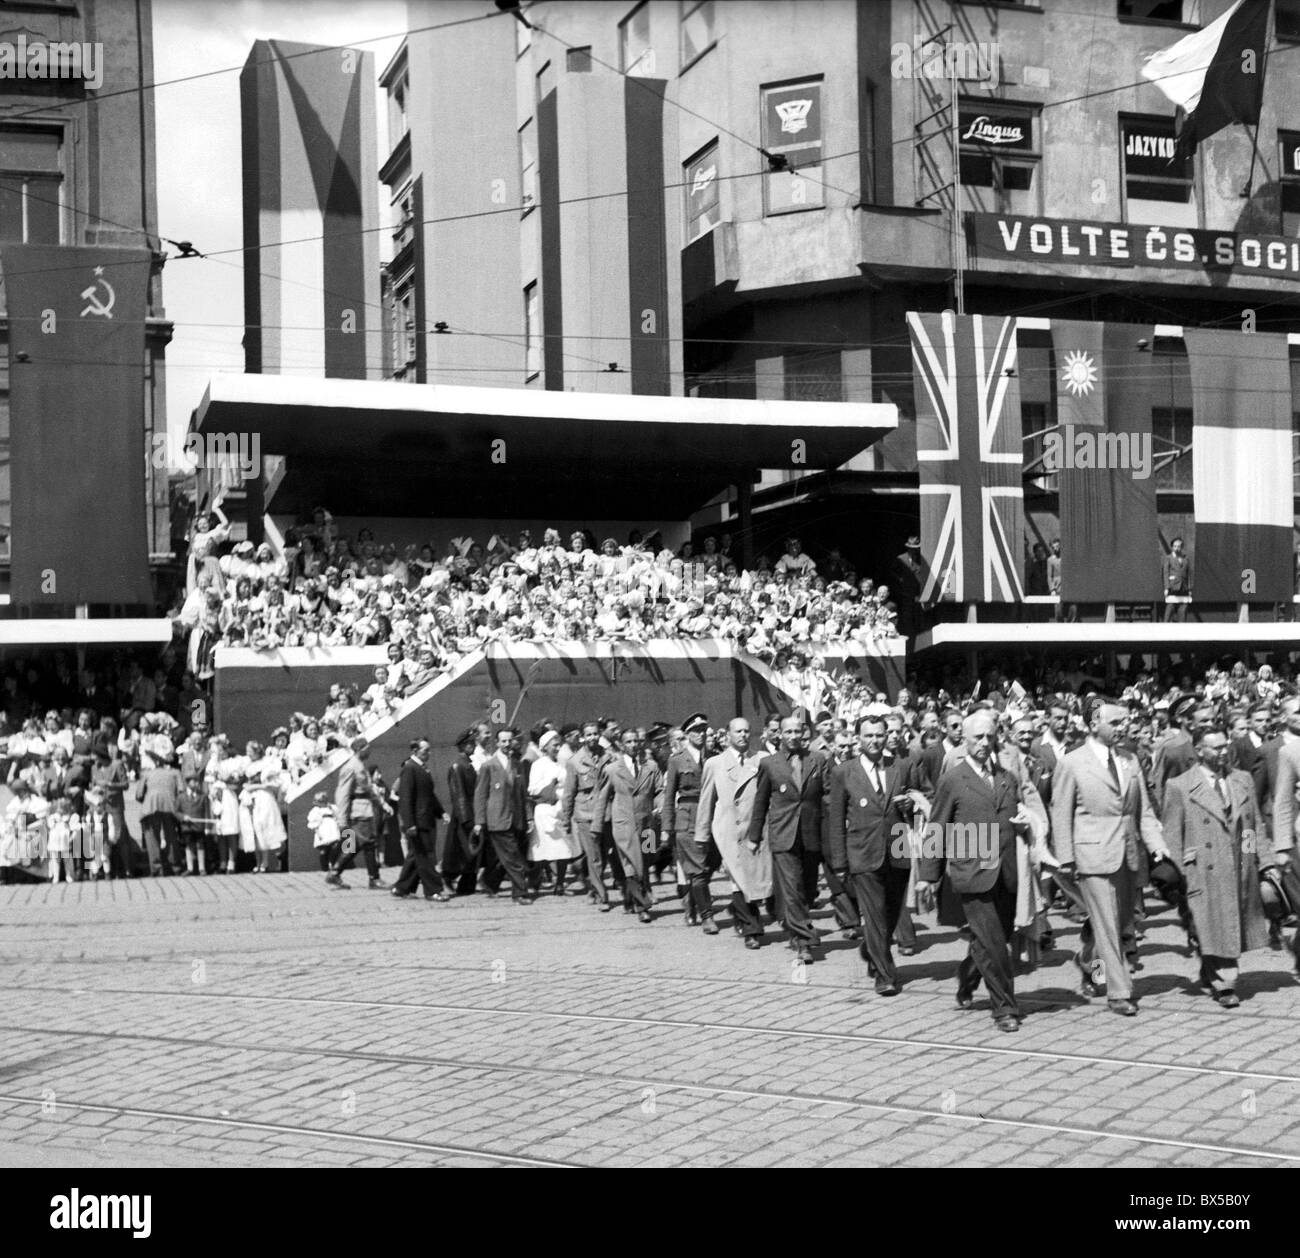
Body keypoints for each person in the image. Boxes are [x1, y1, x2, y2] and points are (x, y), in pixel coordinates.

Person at [1051, 700, 1170, 1017]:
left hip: (1127, 853)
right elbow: (1060, 813)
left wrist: (1156, 844)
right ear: (1093, 725)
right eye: (1116, 722)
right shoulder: (1072, 763)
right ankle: (1119, 991)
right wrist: (1065, 858)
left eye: (1125, 722)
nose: (1123, 727)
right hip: (1092, 855)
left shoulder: (1130, 760)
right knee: (1108, 927)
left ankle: (1088, 962)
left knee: (1118, 922)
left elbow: (1143, 810)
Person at [916, 711, 1030, 1032]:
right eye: (978, 737)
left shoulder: (1007, 777)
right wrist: (928, 876)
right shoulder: (953, 779)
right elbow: (936, 828)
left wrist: (1024, 825)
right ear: (964, 740)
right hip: (972, 873)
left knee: (994, 938)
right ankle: (1005, 1008)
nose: (984, 742)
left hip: (1006, 873)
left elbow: (1018, 814)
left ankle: (967, 976)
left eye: (990, 736)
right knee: (994, 944)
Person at [1163, 725, 1275, 1008]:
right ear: (1200, 751)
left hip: (1238, 864)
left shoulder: (1242, 779)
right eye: (1216, 748)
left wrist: (1258, 861)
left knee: (1227, 923)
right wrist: (1179, 874)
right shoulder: (1180, 785)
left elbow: (1252, 825)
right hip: (1202, 867)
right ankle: (1225, 983)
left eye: (1225, 746)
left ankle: (1213, 969)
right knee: (1214, 922)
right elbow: (1172, 835)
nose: (1224, 751)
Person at [828, 714, 915, 995]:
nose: (875, 741)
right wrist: (839, 863)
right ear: (858, 739)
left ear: (887, 736)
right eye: (868, 736)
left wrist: (911, 802)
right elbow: (835, 819)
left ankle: (872, 950)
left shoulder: (900, 766)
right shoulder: (844, 772)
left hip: (898, 850)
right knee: (875, 914)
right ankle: (885, 975)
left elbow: (924, 796)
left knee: (892, 913)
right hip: (863, 854)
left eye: (879, 735)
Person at [749, 715, 824, 964]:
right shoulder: (769, 764)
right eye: (788, 732)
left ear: (804, 733)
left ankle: (794, 927)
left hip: (811, 834)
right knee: (792, 888)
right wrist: (754, 836)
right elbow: (760, 802)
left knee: (807, 890)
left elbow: (827, 796)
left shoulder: (817, 759)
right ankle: (805, 941)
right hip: (783, 834)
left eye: (797, 731)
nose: (793, 736)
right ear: (780, 734)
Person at [695, 717, 770, 949]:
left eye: (746, 731)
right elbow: (706, 801)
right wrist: (702, 834)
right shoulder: (715, 763)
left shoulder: (762, 759)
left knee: (755, 877)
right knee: (739, 879)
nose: (743, 735)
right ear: (728, 735)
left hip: (755, 828)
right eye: (738, 731)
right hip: (727, 829)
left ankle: (742, 915)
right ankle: (751, 930)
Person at [592, 728, 654, 922]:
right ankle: (642, 906)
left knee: (647, 860)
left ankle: (629, 898)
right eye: (628, 742)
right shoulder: (612, 769)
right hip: (624, 824)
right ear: (621, 744)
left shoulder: (651, 766)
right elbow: (602, 799)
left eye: (636, 741)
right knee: (631, 864)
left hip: (648, 824)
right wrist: (597, 826)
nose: (633, 745)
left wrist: (659, 808)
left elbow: (660, 790)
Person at [664, 712, 716, 931]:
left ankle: (692, 902)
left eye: (704, 730)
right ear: (687, 734)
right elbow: (669, 796)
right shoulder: (677, 760)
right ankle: (707, 917)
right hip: (687, 818)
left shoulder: (714, 757)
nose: (701, 735)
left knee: (708, 867)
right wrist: (666, 829)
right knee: (698, 869)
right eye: (696, 731)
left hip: (712, 816)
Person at [473, 726, 532, 903]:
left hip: (516, 818)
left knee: (506, 856)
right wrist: (479, 821)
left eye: (509, 740)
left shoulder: (517, 765)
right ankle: (520, 893)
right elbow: (480, 794)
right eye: (503, 741)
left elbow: (523, 794)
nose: (507, 744)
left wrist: (528, 817)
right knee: (513, 857)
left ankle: (489, 882)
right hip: (497, 819)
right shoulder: (488, 766)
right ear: (497, 743)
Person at [561, 721, 613, 910]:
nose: (592, 737)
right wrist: (566, 820)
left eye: (595, 734)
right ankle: (602, 896)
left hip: (606, 812)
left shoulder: (609, 756)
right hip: (586, 814)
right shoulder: (574, 761)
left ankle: (593, 888)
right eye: (588, 734)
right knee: (594, 857)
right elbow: (569, 793)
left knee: (605, 855)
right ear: (583, 737)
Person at [392, 737, 451, 902]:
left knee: (415, 856)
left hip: (426, 819)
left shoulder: (422, 768)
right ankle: (433, 890)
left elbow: (429, 795)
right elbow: (405, 798)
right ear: (415, 751)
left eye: (429, 750)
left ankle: (401, 888)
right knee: (426, 857)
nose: (429, 754)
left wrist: (441, 812)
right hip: (419, 822)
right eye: (425, 751)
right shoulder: (410, 768)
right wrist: (409, 824)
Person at [331, 736, 386, 890]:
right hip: (358, 812)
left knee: (353, 845)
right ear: (358, 749)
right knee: (369, 843)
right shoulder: (351, 767)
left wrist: (382, 804)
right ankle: (374, 878)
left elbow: (369, 790)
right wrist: (342, 819)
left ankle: (335, 873)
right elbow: (342, 794)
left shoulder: (360, 765)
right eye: (366, 748)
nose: (369, 751)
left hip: (364, 809)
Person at [527, 730, 578, 894]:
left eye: (559, 745)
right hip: (544, 811)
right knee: (541, 850)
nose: (557, 748)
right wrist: (550, 784)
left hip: (560, 810)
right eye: (554, 745)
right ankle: (534, 881)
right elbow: (532, 789)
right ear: (545, 747)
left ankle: (560, 884)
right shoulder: (538, 765)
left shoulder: (560, 764)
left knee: (563, 848)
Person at [136, 753, 185, 877]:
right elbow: (182, 791)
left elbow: (139, 794)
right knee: (171, 836)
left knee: (152, 839)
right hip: (170, 806)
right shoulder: (175, 773)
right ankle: (175, 866)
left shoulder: (147, 774)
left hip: (150, 807)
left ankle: (157, 869)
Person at [1162, 536, 1191, 623]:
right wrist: (1166, 587)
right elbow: (1165, 573)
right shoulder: (1168, 558)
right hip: (1173, 586)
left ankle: (1181, 627)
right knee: (1170, 607)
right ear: (1172, 547)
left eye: (1178, 546)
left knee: (1183, 609)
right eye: (1174, 546)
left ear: (1181, 547)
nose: (1176, 548)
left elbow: (1189, 574)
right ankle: (1165, 625)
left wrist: (1189, 588)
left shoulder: (1186, 559)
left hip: (1184, 587)